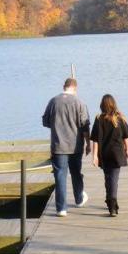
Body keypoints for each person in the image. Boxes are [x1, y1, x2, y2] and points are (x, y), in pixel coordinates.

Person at [41, 77, 90, 216]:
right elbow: (85, 125)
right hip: (76, 146)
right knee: (76, 173)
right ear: (75, 88)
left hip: (58, 146)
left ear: (64, 86)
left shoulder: (53, 101)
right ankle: (79, 199)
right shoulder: (80, 102)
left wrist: (56, 125)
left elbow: (45, 121)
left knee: (60, 175)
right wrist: (88, 144)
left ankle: (61, 208)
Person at [90, 94, 128, 217]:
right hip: (117, 154)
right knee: (113, 179)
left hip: (104, 154)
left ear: (102, 105)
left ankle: (110, 201)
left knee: (108, 178)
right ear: (113, 104)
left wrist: (95, 156)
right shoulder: (119, 119)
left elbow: (95, 140)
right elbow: (126, 137)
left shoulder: (99, 119)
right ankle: (112, 205)